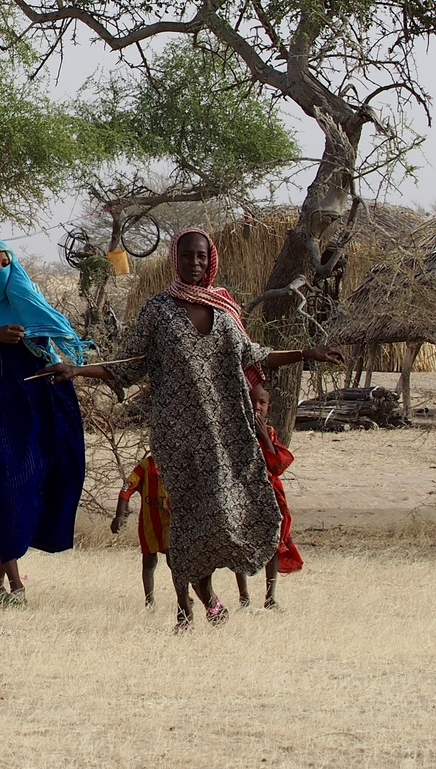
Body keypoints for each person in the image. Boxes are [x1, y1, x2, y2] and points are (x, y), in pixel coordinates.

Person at [44, 229, 342, 632]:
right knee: (184, 522)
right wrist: (78, 369)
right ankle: (189, 606)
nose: (195, 263)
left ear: (211, 259)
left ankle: (210, 598)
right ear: (175, 259)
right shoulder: (158, 310)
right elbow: (130, 366)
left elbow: (256, 357)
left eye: (202, 256)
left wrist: (307, 353)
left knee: (220, 517)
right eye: (188, 256)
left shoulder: (224, 309)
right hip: (177, 437)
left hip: (224, 435)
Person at [0, 239, 89, 608]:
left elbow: (49, 348)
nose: (0, 270)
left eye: (5, 263)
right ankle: (16, 586)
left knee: (36, 484)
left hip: (40, 407)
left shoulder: (29, 299)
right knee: (8, 487)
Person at [234, 385, 302, 610]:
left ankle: (270, 596)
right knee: (239, 542)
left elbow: (277, 464)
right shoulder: (237, 431)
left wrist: (263, 435)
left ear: (268, 407)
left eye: (262, 403)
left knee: (273, 541)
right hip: (243, 492)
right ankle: (244, 597)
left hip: (269, 493)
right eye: (253, 402)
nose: (257, 407)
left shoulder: (270, 432)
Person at [112, 453, 169, 610]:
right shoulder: (146, 465)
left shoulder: (176, 462)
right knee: (149, 562)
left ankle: (183, 597)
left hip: (170, 522)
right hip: (148, 523)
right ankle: (149, 601)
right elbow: (127, 487)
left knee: (174, 560)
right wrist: (119, 515)